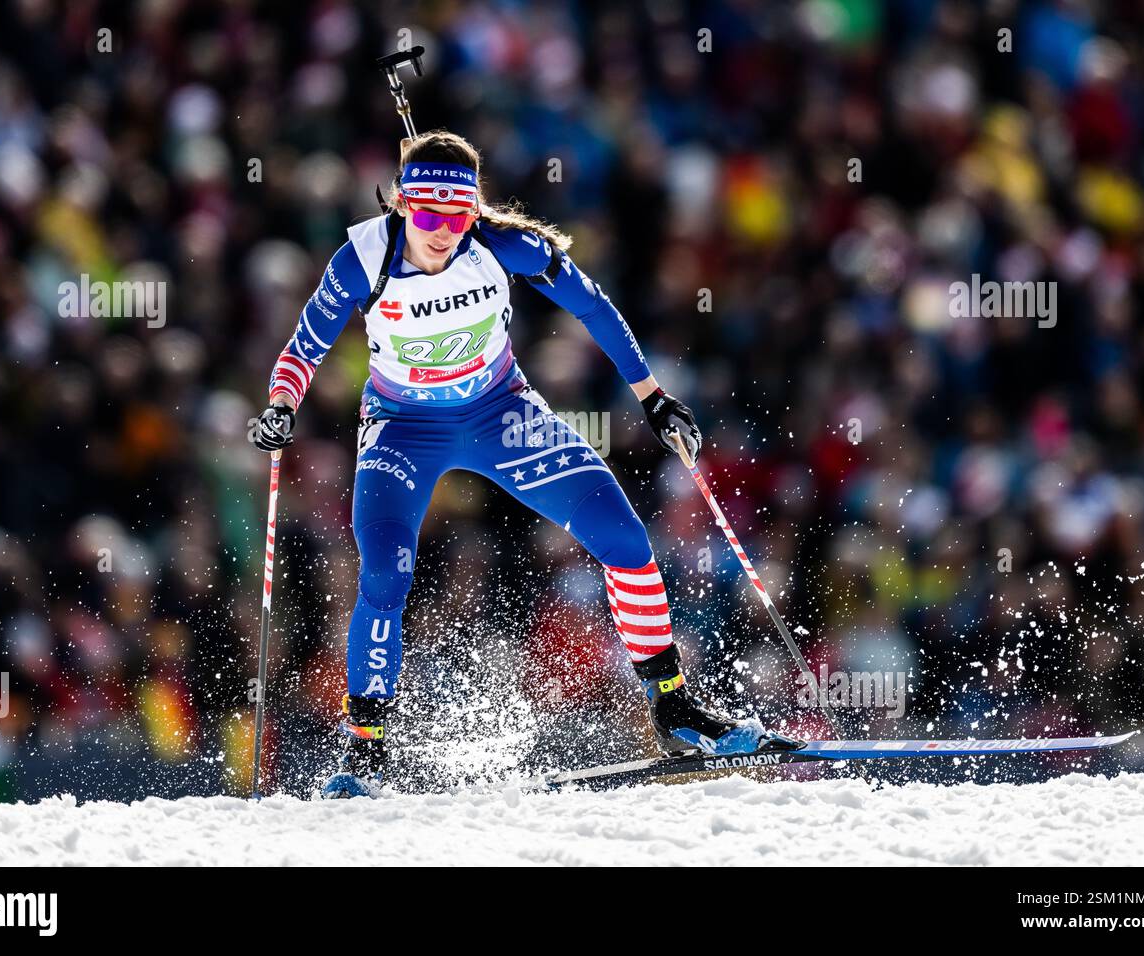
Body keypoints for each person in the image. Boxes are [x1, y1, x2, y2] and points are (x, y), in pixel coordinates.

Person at [252, 130, 802, 797]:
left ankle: (674, 708)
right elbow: (303, 348)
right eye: (426, 215)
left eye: (456, 217)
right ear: (401, 206)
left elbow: (593, 306)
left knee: (625, 540)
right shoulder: (362, 258)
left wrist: (652, 398)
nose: (440, 233)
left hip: (500, 415)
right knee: (385, 576)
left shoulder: (501, 245)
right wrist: (282, 406)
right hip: (403, 429)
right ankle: (364, 753)